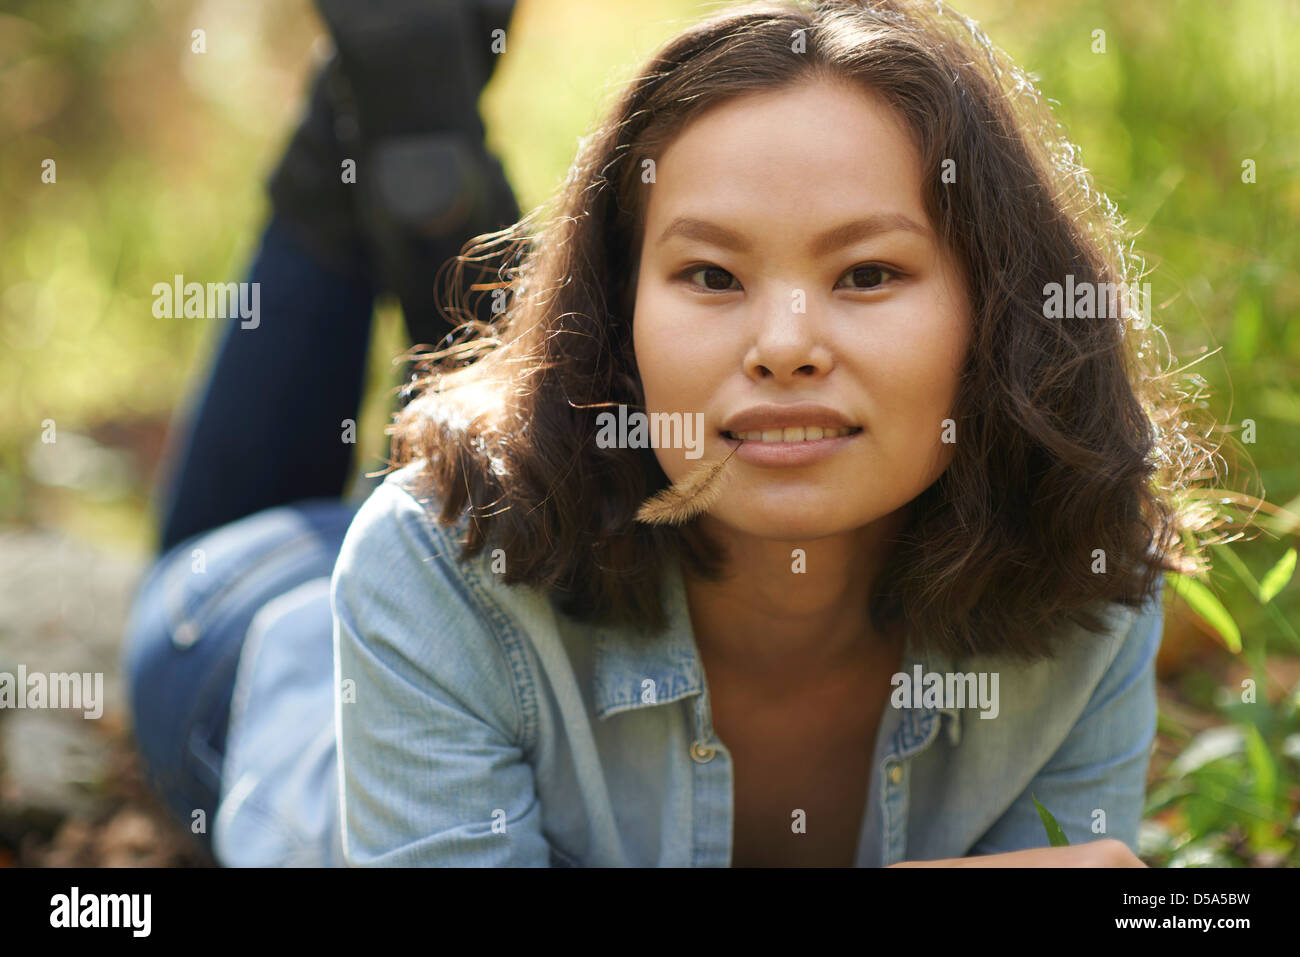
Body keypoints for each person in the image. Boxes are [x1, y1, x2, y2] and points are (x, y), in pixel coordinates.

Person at [120, 0, 520, 866]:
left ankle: (391, 117)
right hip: (291, 624)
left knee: (517, 463)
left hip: (317, 607)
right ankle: (396, 123)